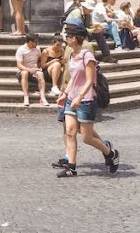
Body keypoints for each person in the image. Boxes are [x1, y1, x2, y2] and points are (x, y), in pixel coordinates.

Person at [54, 23, 120, 177]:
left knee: (87, 138)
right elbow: (73, 79)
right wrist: (65, 93)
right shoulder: (71, 55)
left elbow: (90, 81)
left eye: (69, 36)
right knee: (70, 132)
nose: (66, 39)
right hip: (72, 99)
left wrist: (80, 96)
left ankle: (110, 153)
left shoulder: (87, 56)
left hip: (86, 100)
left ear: (76, 38)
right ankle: (72, 167)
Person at [17, 33, 49, 107]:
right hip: (23, 70)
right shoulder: (21, 49)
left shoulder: (37, 49)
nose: (37, 43)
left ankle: (43, 97)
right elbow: (19, 65)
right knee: (25, 73)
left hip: (34, 70)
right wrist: (29, 69)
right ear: (30, 42)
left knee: (40, 74)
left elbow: (39, 60)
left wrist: (36, 67)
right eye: (36, 42)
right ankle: (26, 96)